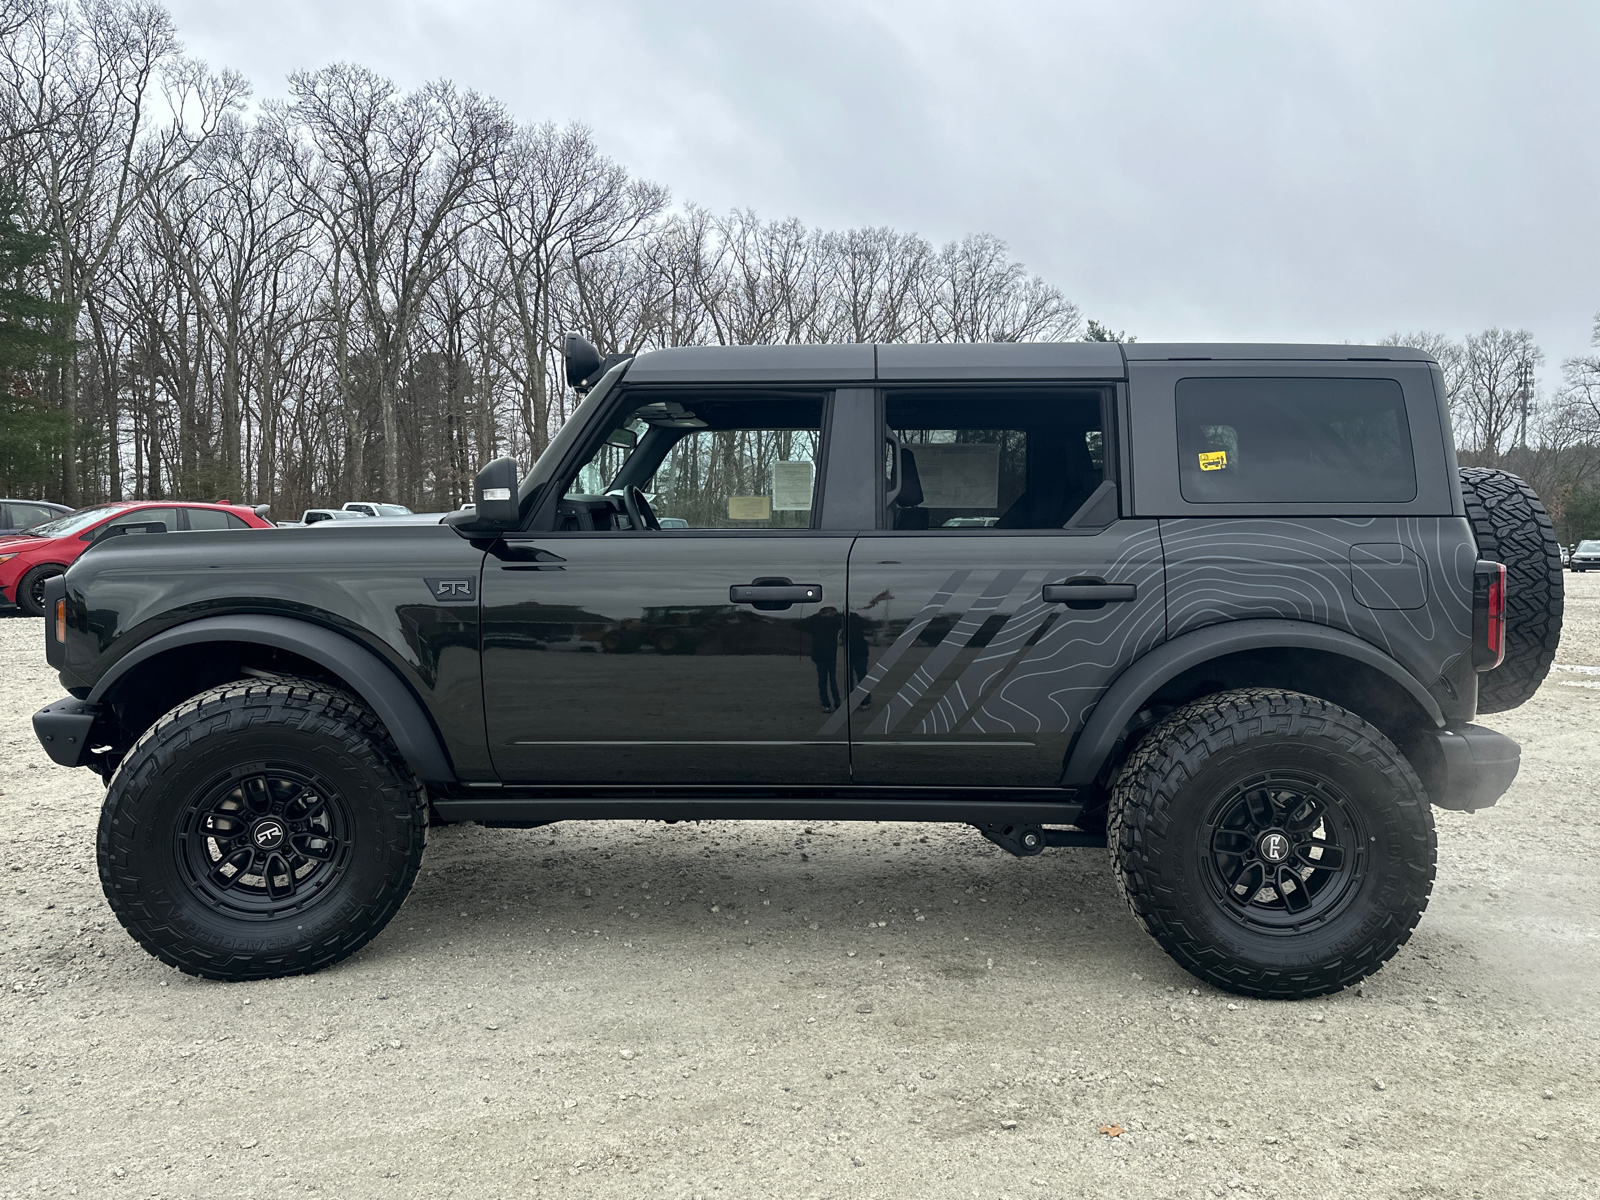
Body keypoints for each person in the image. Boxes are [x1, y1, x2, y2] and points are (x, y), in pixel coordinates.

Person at [798, 606, 842, 711]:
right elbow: (801, 624)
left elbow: (840, 622)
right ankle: (826, 703)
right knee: (823, 680)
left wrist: (832, 616)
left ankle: (836, 703)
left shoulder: (835, 622)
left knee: (831, 680)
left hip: (829, 655)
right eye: (826, 612)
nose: (828, 614)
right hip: (821, 655)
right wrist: (818, 616)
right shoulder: (816, 622)